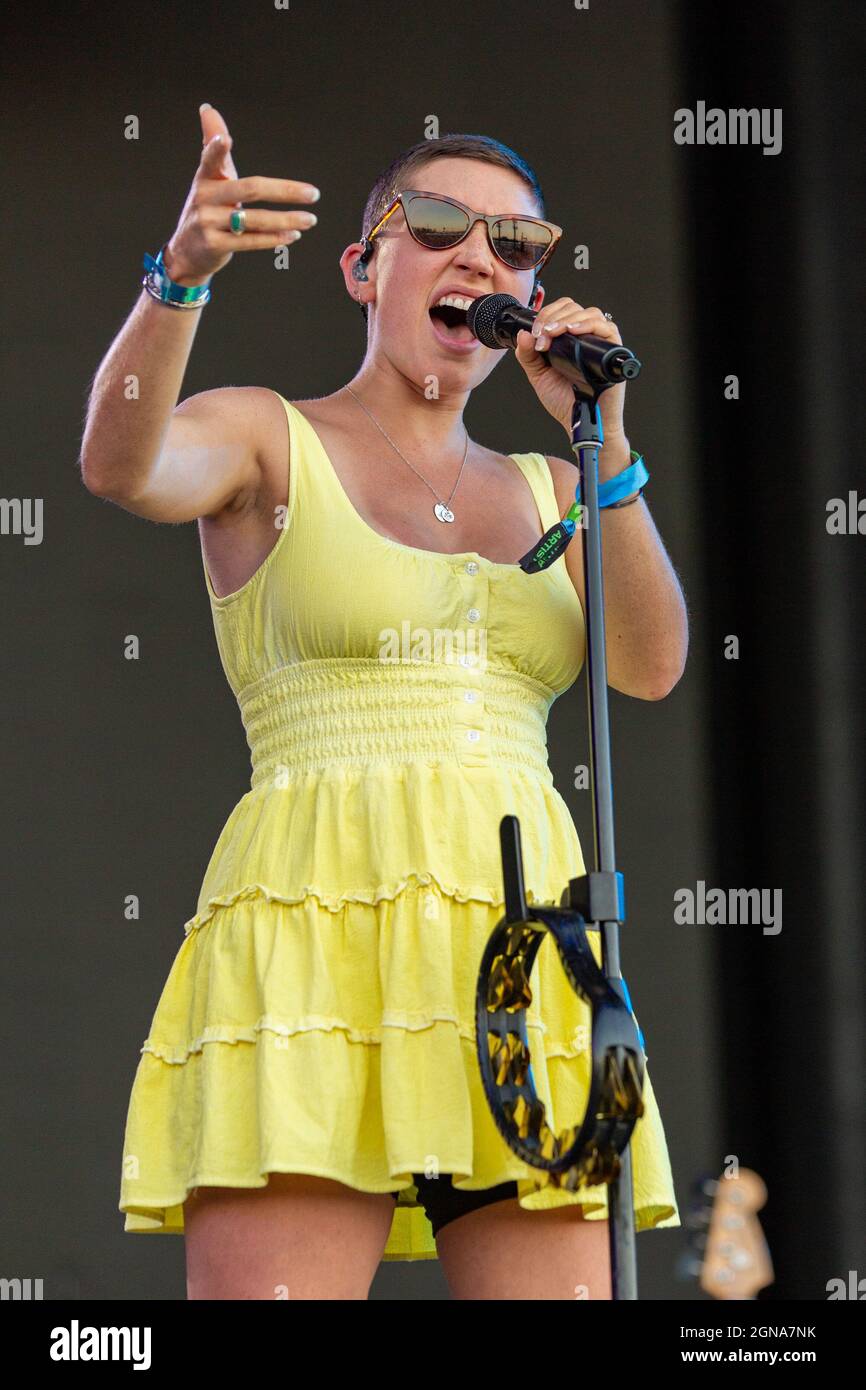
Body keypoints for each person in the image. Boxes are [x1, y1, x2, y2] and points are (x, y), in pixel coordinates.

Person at [81, 103, 687, 1300]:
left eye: (514, 244)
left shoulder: (557, 484)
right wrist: (179, 279)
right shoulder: (268, 437)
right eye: (444, 225)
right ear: (364, 267)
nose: (481, 257)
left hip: (525, 946)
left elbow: (649, 663)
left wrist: (603, 434)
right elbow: (120, 464)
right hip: (309, 931)